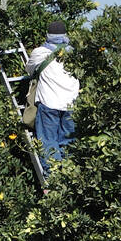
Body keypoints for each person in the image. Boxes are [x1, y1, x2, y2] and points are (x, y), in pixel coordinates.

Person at [27, 20, 80, 165]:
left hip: (49, 104)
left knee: (48, 142)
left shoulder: (40, 52)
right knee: (69, 143)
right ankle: (69, 178)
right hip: (72, 104)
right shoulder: (74, 52)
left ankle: (52, 181)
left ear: (47, 35)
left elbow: (30, 70)